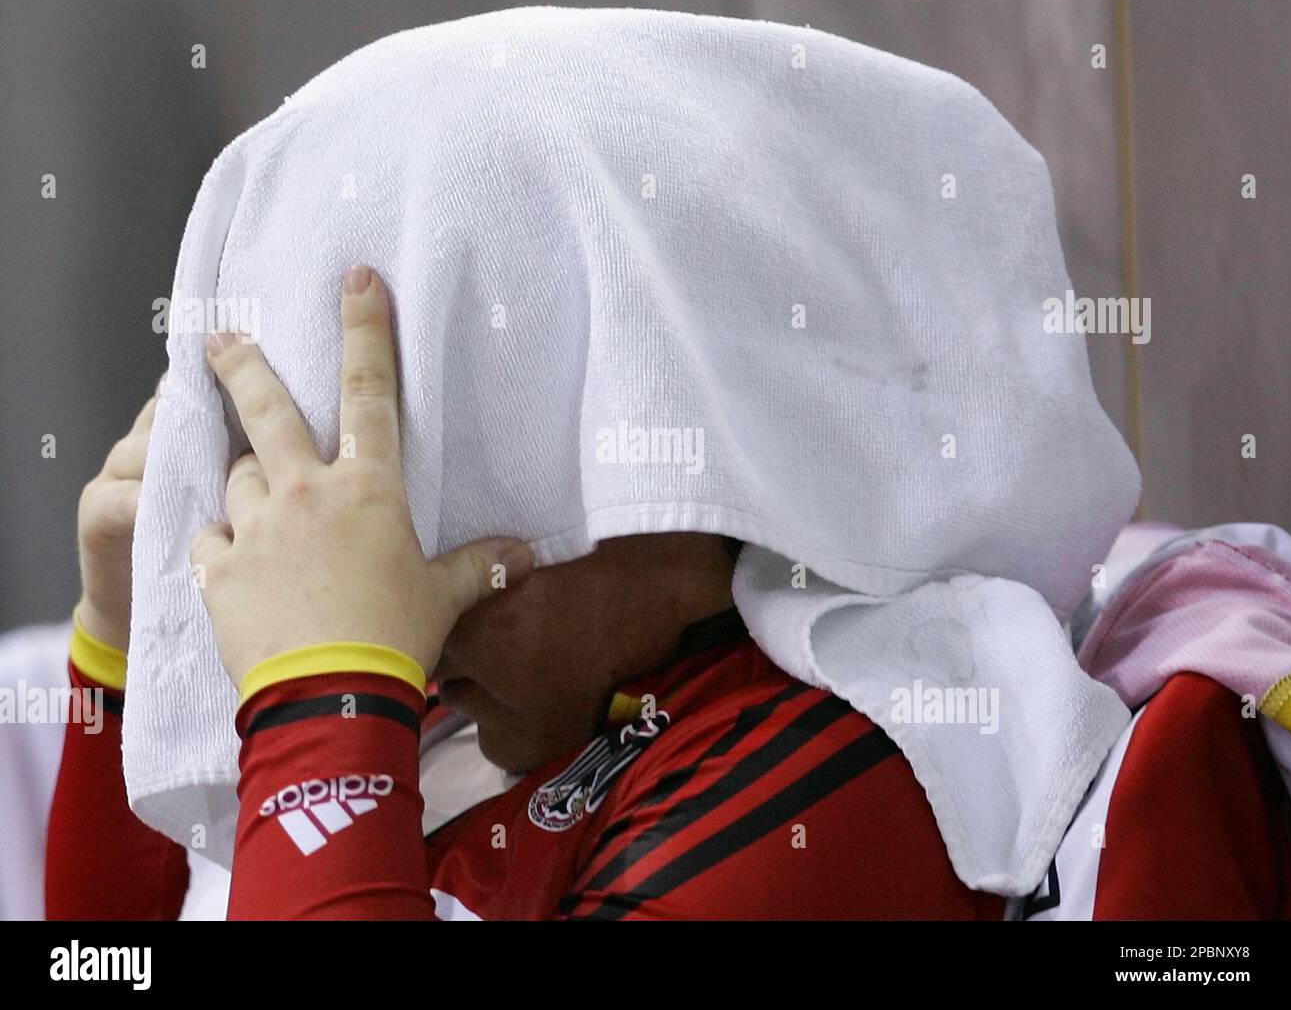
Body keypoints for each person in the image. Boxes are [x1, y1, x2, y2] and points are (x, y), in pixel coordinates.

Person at [46, 266, 1005, 920]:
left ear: (656, 483)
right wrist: (124, 656)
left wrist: (323, 694)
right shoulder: (473, 698)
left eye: (435, 528)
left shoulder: (811, 799)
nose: (399, 609)